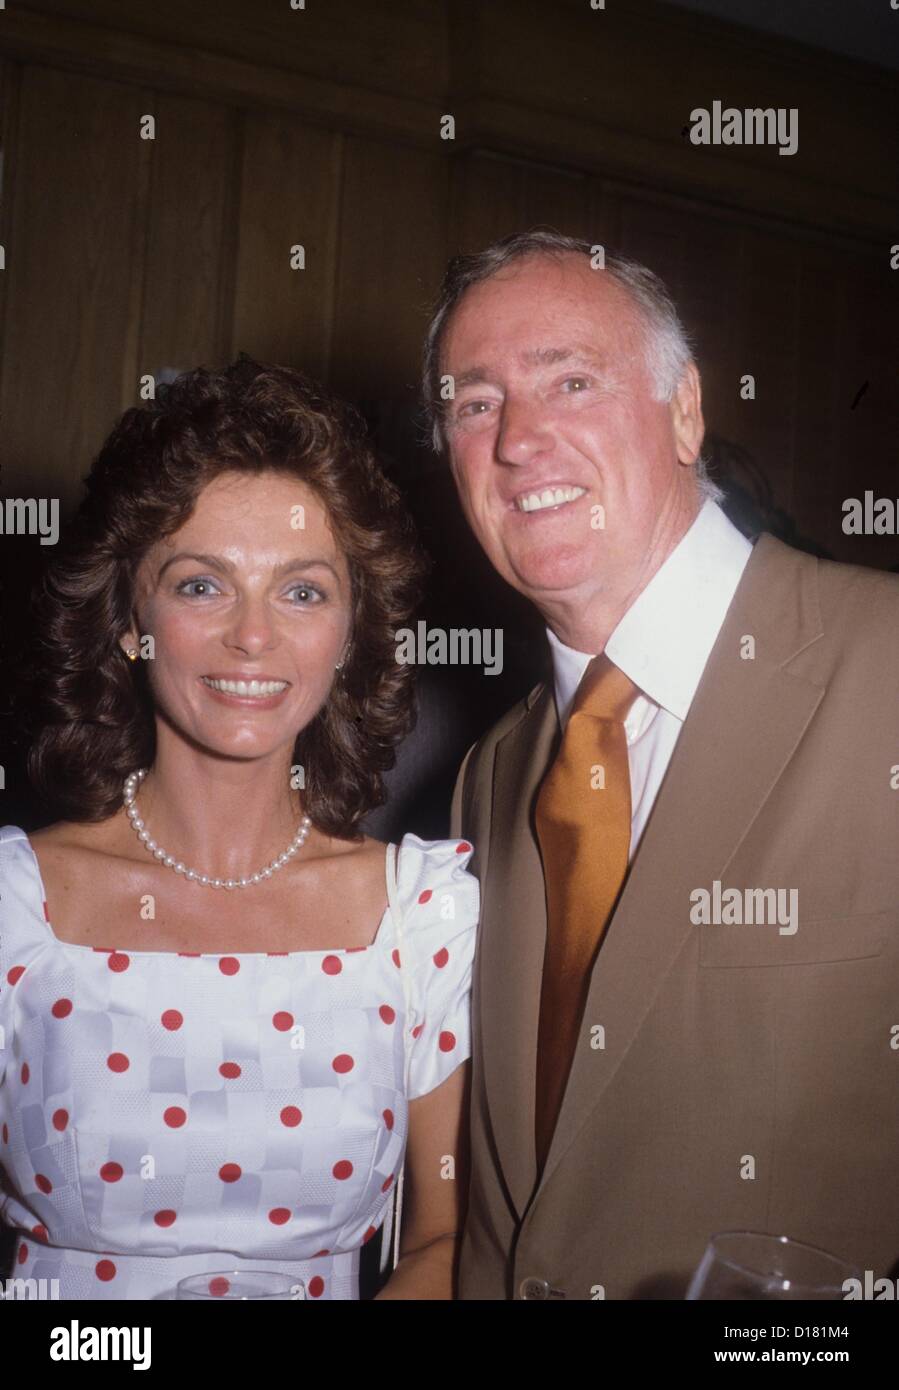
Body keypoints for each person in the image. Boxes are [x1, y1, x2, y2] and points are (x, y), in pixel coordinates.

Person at [423, 229, 899, 1299]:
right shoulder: (491, 773)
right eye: (474, 404)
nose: (517, 440)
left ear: (685, 411)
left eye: (570, 380)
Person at [0, 356, 477, 1301]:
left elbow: (444, 1238)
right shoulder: (17, 905)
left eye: (301, 591)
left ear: (348, 632)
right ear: (131, 619)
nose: (253, 637)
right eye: (201, 586)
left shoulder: (422, 916)